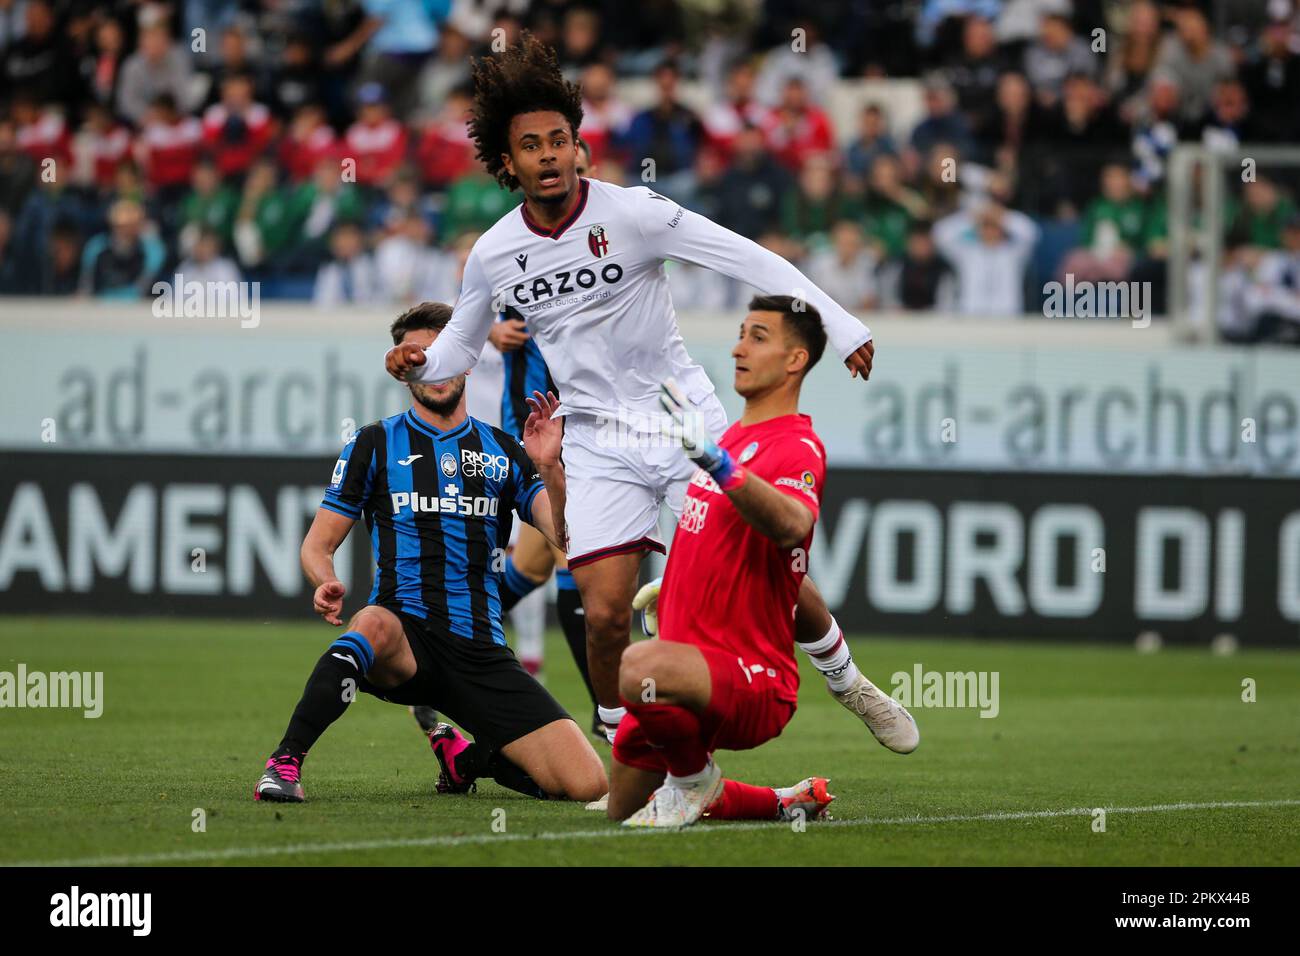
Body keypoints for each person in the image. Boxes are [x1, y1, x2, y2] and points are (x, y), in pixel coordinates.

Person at [384, 34, 913, 762]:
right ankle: (623, 741)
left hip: (680, 421)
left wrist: (841, 322)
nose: (547, 154)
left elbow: (746, 256)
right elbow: (457, 350)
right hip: (596, 439)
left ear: (578, 147)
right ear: (507, 163)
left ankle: (848, 680)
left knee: (763, 570)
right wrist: (417, 363)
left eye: (559, 140)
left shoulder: (633, 214)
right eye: (531, 145)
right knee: (602, 616)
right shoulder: (494, 252)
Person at [254, 301, 607, 804]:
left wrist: (550, 466)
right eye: (420, 358)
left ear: (466, 360)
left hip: (481, 652)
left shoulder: (504, 449)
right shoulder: (373, 443)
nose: (434, 369)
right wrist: (323, 579)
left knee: (585, 784)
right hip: (405, 639)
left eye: (443, 355)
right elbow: (317, 544)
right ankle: (285, 762)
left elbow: (568, 535)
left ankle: (465, 759)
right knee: (371, 622)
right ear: (404, 370)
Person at [598, 296, 916, 828]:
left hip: (755, 680)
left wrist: (716, 463)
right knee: (621, 809)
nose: (738, 347)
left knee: (634, 667)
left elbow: (792, 525)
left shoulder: (796, 446)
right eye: (742, 333)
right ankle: (781, 801)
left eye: (758, 337)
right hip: (693, 672)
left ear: (795, 360)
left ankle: (694, 777)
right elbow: (711, 542)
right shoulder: (730, 439)